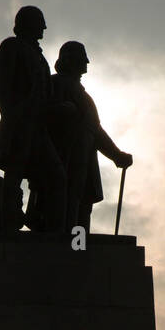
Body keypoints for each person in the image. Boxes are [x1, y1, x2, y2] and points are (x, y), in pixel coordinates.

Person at [0, 6, 66, 232]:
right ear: (27, 23)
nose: (44, 27)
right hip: (20, 123)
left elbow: (45, 94)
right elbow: (2, 88)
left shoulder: (39, 56)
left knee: (56, 175)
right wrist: (14, 119)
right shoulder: (11, 46)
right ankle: (8, 226)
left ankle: (52, 230)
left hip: (38, 126)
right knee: (14, 174)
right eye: (39, 21)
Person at [48, 41, 132, 233]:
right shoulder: (55, 83)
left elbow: (95, 131)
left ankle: (78, 248)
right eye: (82, 57)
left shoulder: (85, 97)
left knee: (83, 205)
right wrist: (63, 111)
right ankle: (63, 246)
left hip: (84, 159)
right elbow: (42, 113)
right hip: (64, 156)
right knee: (63, 202)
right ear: (71, 60)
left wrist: (116, 155)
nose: (87, 62)